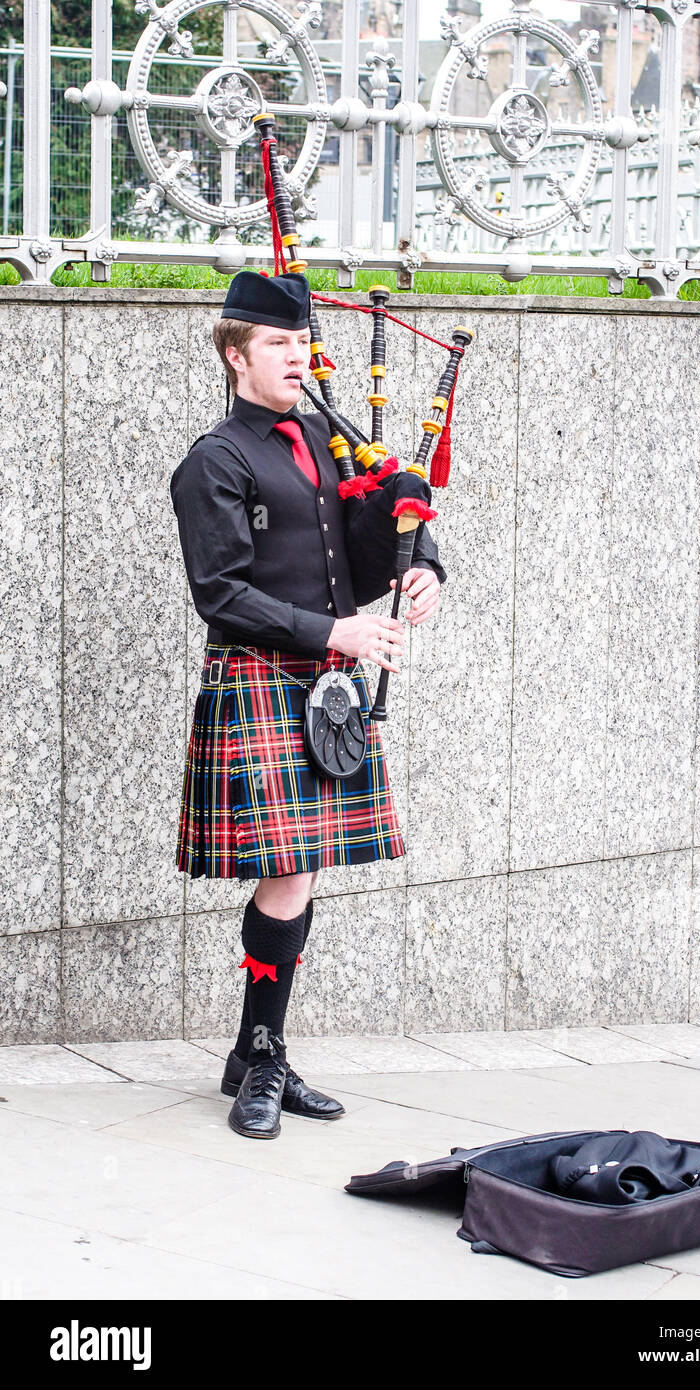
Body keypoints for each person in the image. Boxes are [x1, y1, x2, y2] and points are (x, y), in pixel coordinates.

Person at [169, 270, 445, 1139]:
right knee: (288, 872)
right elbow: (219, 594)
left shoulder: (327, 436)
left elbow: (387, 500)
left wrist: (418, 557)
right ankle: (262, 1055)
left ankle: (255, 1057)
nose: (297, 357)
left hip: (325, 682)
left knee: (301, 870)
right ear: (234, 354)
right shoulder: (215, 461)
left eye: (300, 342)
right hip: (262, 674)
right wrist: (339, 634)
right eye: (278, 345)